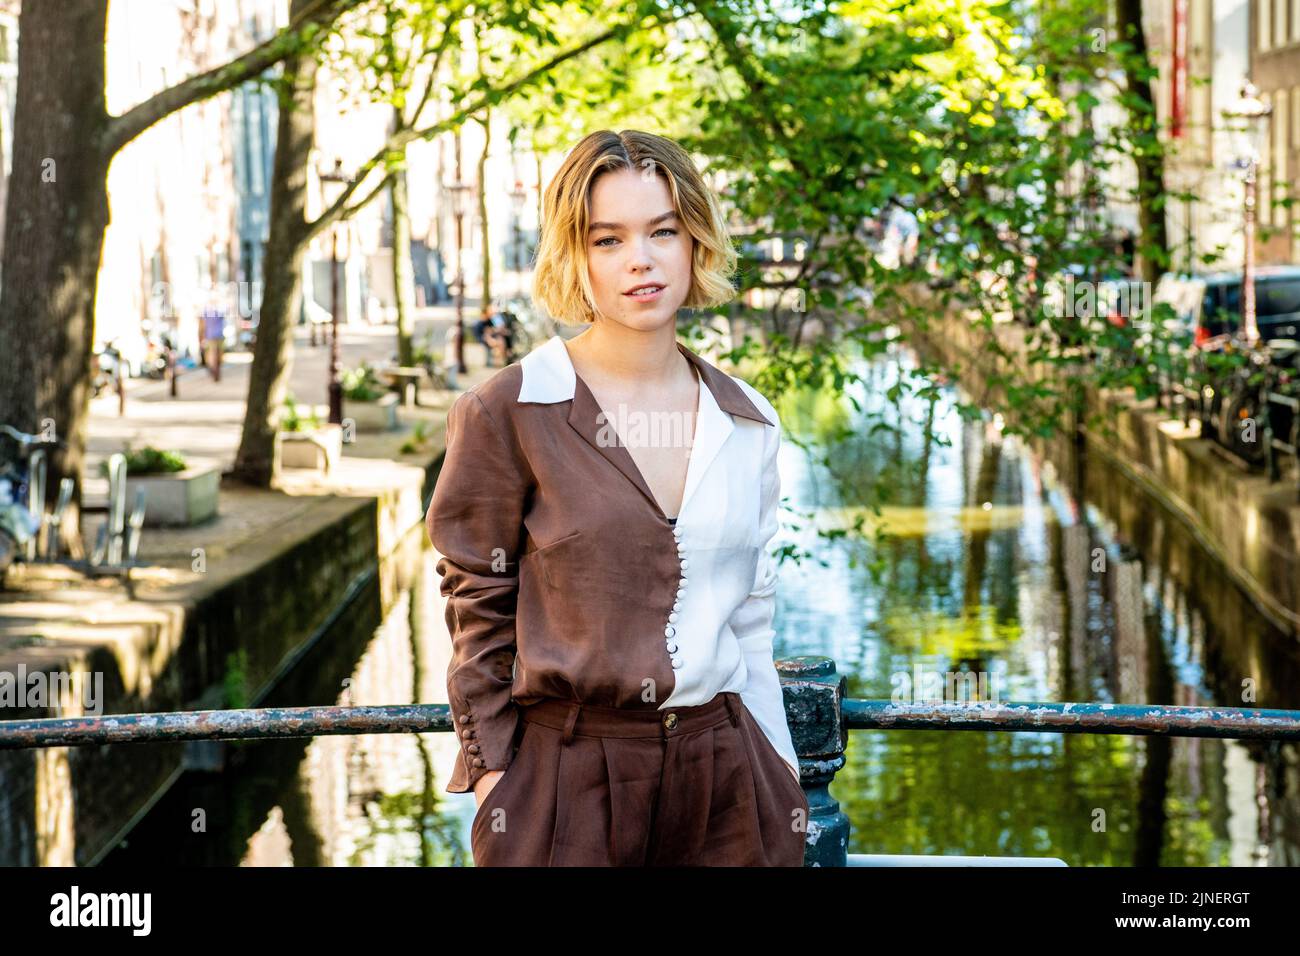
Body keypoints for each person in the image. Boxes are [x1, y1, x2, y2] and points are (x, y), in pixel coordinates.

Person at [425, 130, 807, 867]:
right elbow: (475, 605)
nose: (642, 258)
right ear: (576, 256)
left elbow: (752, 618)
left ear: (694, 241)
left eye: (664, 230)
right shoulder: (511, 411)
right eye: (609, 239)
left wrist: (780, 772)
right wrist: (496, 778)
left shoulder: (748, 421)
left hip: (727, 779)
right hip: (568, 786)